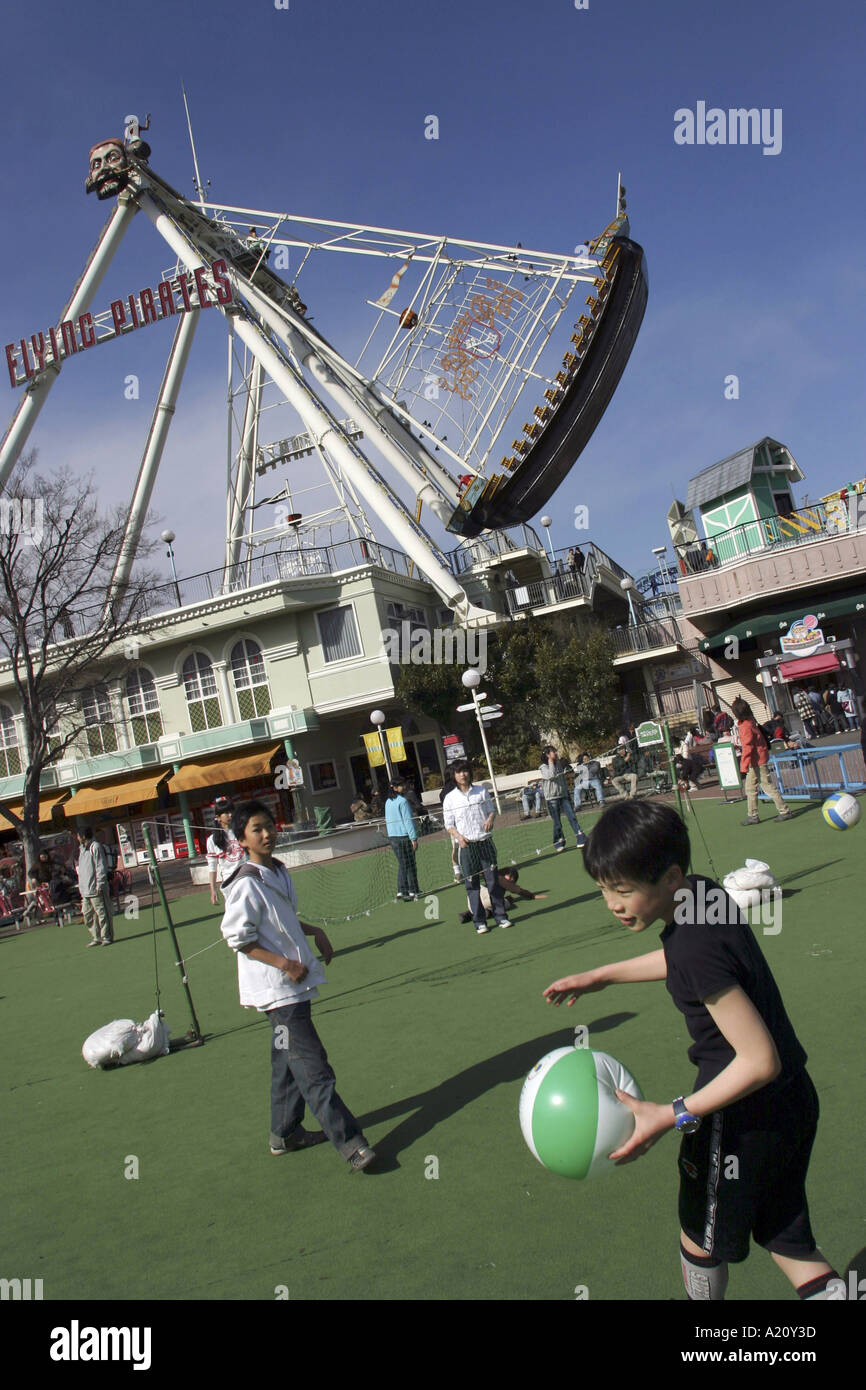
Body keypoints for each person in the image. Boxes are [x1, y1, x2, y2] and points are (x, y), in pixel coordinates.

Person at [543, 800, 843, 1302]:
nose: (613, 904)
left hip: (739, 1117)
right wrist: (602, 976)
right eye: (603, 890)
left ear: (670, 878)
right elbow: (683, 958)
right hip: (794, 1101)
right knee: (786, 1238)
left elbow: (757, 1061)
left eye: (623, 891)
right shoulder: (703, 893)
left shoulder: (693, 946)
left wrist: (672, 1114)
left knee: (699, 1242)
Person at [220, 801, 376, 1170]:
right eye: (256, 829)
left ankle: (284, 1133)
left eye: (269, 826)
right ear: (242, 839)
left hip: (293, 985)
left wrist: (314, 931)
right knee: (312, 1067)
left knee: (285, 1060)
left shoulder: (277, 870)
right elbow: (237, 937)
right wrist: (284, 964)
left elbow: (283, 919)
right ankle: (352, 1144)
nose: (266, 833)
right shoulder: (244, 883)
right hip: (278, 990)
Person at [442, 760, 511, 933]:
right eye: (458, 772)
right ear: (454, 776)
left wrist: (490, 819)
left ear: (469, 773)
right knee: (472, 884)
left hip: (485, 842)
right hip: (466, 846)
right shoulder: (450, 798)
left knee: (493, 880)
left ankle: (501, 916)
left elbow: (491, 810)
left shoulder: (481, 791)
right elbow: (449, 824)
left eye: (465, 771)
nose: (462, 775)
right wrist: (459, 837)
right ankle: (479, 921)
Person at [732, 698, 792, 826]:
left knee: (766, 786)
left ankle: (783, 811)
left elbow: (747, 747)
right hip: (760, 758)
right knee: (751, 788)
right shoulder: (751, 721)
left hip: (756, 761)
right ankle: (752, 815)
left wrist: (743, 766)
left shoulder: (745, 726)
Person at [457, 866, 547, 924]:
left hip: (472, 898)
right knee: (505, 903)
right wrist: (532, 896)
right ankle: (484, 913)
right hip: (484, 901)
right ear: (506, 874)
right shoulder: (504, 881)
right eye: (510, 877)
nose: (511, 880)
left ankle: (469, 913)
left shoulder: (494, 874)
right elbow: (519, 891)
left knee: (488, 902)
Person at [539, 746, 587, 852]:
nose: (555, 753)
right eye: (553, 752)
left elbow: (562, 779)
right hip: (552, 798)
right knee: (557, 822)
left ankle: (580, 836)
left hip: (563, 795)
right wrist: (551, 762)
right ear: (547, 754)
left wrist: (566, 793)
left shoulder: (559, 764)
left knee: (572, 816)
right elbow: (551, 775)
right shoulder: (543, 767)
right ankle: (559, 841)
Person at [76, 826, 112, 946]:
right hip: (85, 890)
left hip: (95, 887)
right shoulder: (81, 849)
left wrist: (100, 884)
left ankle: (106, 936)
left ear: (83, 837)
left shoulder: (95, 847)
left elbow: (100, 867)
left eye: (78, 835)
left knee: (102, 913)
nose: (77, 838)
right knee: (87, 915)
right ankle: (96, 937)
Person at [385, 778, 420, 901]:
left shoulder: (388, 802)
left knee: (402, 863)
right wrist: (413, 838)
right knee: (410, 864)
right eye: (401, 785)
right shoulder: (403, 801)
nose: (403, 787)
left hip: (393, 837)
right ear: (395, 787)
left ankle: (401, 890)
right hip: (404, 837)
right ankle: (413, 890)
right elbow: (408, 820)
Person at [207, 797, 246, 906]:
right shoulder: (212, 840)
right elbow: (212, 867)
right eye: (226, 813)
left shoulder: (242, 831)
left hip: (247, 876)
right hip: (229, 882)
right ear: (218, 817)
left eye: (231, 811)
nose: (231, 815)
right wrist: (213, 890)